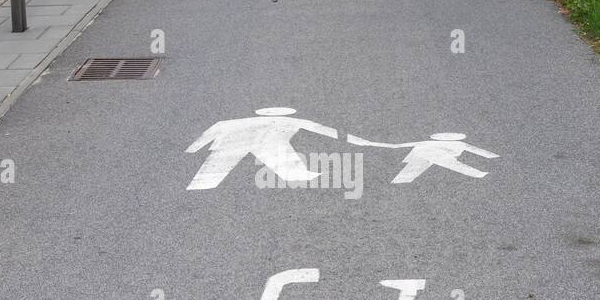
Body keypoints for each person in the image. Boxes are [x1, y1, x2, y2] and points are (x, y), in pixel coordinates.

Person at [186, 107, 339, 190]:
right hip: (268, 144)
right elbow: (322, 129)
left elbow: (210, 132)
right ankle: (298, 175)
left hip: (229, 145)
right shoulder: (290, 121)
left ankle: (201, 185)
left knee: (209, 174)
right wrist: (359, 142)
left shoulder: (229, 122)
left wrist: (194, 148)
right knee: (287, 164)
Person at [347, 132, 499, 184]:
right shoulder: (460, 143)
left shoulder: (428, 142)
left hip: (426, 156)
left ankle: (477, 173)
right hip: (427, 156)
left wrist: (370, 143)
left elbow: (396, 146)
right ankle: (478, 173)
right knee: (406, 175)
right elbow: (485, 153)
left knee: (406, 176)